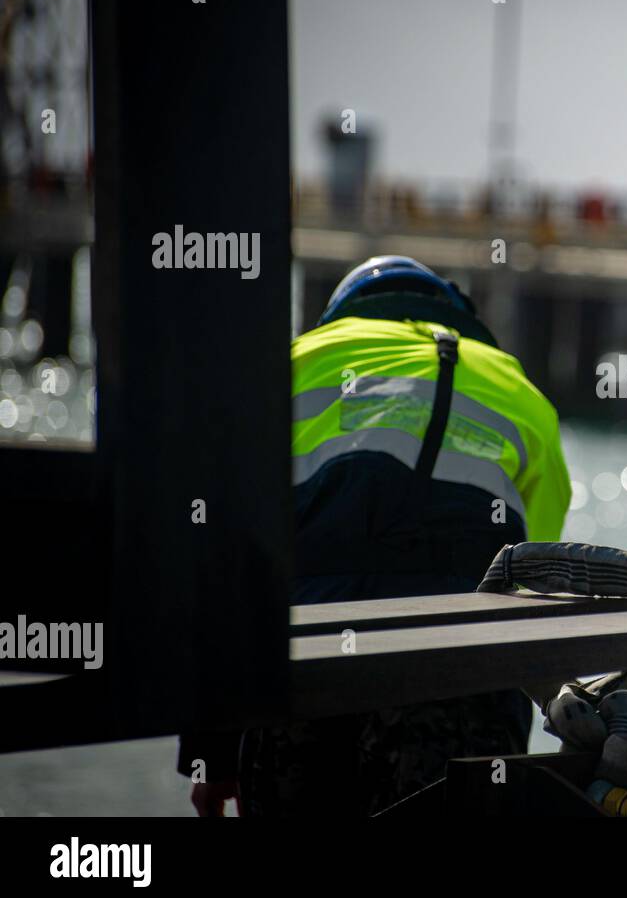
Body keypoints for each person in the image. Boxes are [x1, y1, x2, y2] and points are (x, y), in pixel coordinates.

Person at [178, 255, 570, 816]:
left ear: (342, 314)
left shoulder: (288, 365)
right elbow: (536, 576)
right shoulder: (524, 396)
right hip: (461, 682)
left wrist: (209, 755)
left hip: (303, 670)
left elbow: (222, 568)